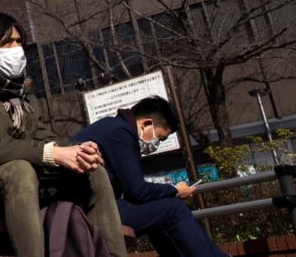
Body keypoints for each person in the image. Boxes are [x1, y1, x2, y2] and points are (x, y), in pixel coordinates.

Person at [0, 11, 128, 257]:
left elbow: (44, 139)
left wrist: (77, 152)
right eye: (6, 43)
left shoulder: (22, 97)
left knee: (91, 171)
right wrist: (51, 154)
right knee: (19, 171)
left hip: (17, 186)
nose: (16, 49)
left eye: (19, 42)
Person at [75, 96, 227, 256]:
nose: (157, 144)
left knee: (159, 216)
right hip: (91, 213)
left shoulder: (112, 127)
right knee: (175, 209)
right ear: (146, 124)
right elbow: (137, 191)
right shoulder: (122, 133)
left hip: (88, 208)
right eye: (160, 138)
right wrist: (175, 190)